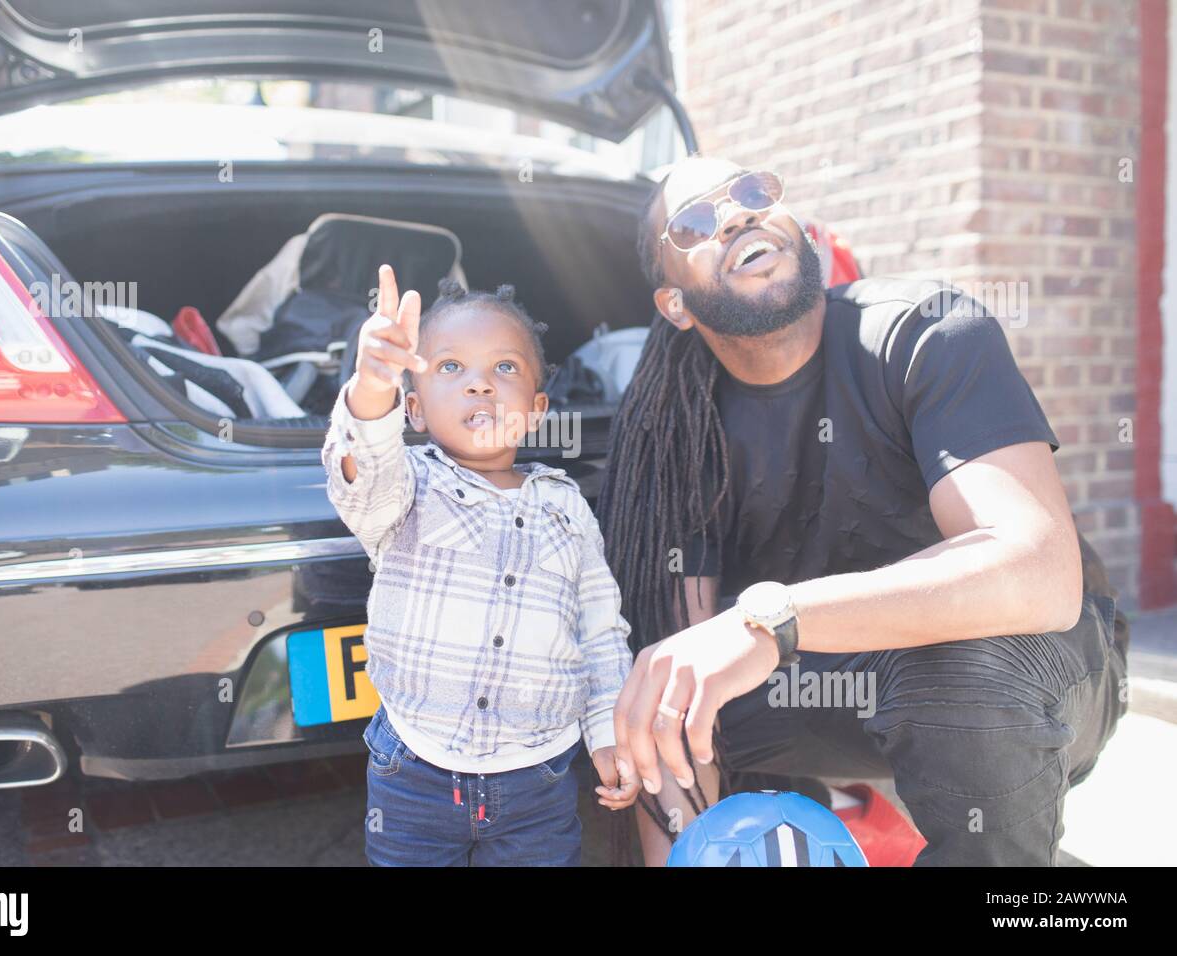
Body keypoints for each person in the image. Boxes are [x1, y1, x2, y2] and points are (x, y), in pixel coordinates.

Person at [598, 156, 1129, 866]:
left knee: (959, 680)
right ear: (674, 305)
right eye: (697, 221)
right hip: (828, 681)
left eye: (753, 191)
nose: (738, 214)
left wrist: (773, 621)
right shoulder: (679, 424)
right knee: (616, 728)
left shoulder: (927, 335)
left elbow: (1038, 572)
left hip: (1028, 664)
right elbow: (679, 680)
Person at [322, 267, 639, 866]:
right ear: (412, 409)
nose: (480, 386)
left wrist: (607, 733)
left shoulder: (566, 507)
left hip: (538, 776)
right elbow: (361, 476)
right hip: (413, 767)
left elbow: (599, 634)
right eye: (450, 368)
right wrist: (372, 384)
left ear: (538, 409)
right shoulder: (408, 488)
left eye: (505, 368)